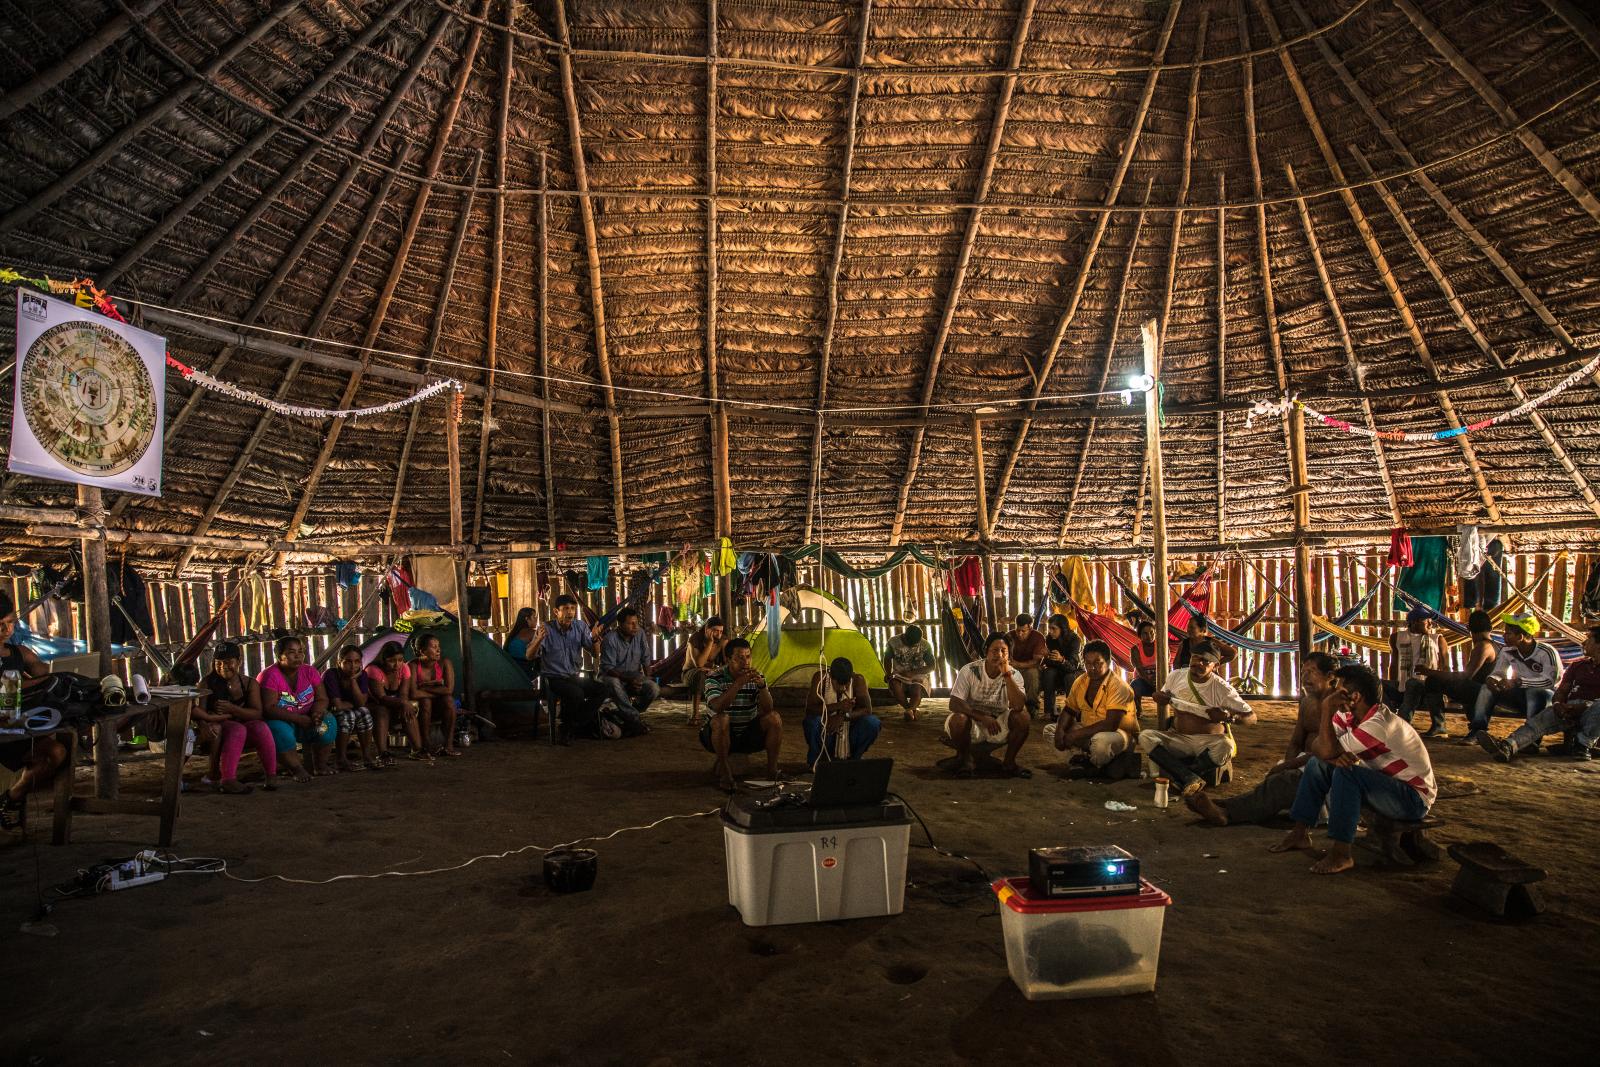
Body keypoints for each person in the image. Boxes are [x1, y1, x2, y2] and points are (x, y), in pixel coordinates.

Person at [1270, 664, 1435, 875]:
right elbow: (1319, 749)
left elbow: (1327, 750)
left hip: (1412, 799)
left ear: (1354, 696)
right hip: (1382, 786)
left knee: (1346, 773)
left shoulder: (1378, 723)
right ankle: (1300, 833)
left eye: (1336, 689)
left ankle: (1342, 853)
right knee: (1316, 764)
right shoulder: (1348, 717)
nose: (1331, 693)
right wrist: (1330, 756)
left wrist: (1327, 710)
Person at [1185, 652, 1337, 826]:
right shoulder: (1307, 702)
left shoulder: (1338, 706)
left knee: (1283, 782)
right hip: (1302, 763)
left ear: (1330, 677)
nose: (1305, 677)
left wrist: (1288, 767)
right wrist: (1287, 764)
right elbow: (1296, 742)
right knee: (1276, 782)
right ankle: (1224, 806)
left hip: (1324, 768)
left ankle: (1227, 813)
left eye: (1312, 671)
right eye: (1303, 671)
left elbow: (1326, 753)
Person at [1139, 644, 1254, 798]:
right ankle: (1189, 777)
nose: (1199, 663)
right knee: (1145, 737)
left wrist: (1228, 717)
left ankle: (1186, 776)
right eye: (1196, 658)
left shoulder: (1222, 689)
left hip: (1208, 742)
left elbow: (1252, 718)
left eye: (1206, 661)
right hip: (1179, 738)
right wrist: (1159, 697)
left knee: (1225, 746)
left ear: (1216, 665)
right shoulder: (1176, 676)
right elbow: (1162, 695)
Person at [1478, 625, 1600, 762]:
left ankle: (1583, 745)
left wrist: (1585, 706)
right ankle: (1507, 746)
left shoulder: (1546, 651)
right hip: (1569, 709)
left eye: (1589, 639)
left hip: (1593, 710)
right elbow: (1562, 690)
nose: (1583, 643)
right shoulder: (1578, 666)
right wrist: (1559, 704)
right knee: (1536, 723)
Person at [0, 593, 66, 835]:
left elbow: (48, 678)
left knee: (57, 753)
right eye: (0, 625)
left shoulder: (21, 654)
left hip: (17, 727)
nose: (7, 629)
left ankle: (13, 796)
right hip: (4, 733)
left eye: (10, 623)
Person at [1043, 640, 1138, 777]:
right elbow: (1069, 710)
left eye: (1097, 663)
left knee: (1100, 743)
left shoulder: (1118, 686)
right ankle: (1080, 761)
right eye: (1088, 663)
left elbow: (1110, 724)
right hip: (1089, 731)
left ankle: (1089, 765)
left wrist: (1076, 734)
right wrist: (1060, 730)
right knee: (1051, 730)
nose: (1092, 668)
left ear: (1108, 662)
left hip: (1119, 735)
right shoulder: (1081, 681)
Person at [193, 641, 277, 794]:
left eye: (228, 662)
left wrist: (233, 709)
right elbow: (199, 713)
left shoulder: (249, 683)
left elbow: (257, 713)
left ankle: (271, 775)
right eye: (218, 663)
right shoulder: (207, 683)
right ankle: (228, 779)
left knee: (261, 727)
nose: (223, 666)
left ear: (239, 661)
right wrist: (205, 725)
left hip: (243, 729)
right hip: (219, 729)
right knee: (237, 729)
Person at [944, 632, 1031, 779]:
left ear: (1009, 654)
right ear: (986, 652)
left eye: (1004, 651)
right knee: (957, 719)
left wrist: (1007, 675)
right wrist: (982, 717)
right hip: (972, 723)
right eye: (994, 650)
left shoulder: (1014, 674)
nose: (999, 655)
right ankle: (967, 761)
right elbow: (954, 703)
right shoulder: (970, 670)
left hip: (998, 725)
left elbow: (1018, 706)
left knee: (1023, 717)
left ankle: (1009, 763)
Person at [701, 637, 782, 791]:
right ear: (728, 659)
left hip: (746, 734)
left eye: (748, 656)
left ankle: (772, 771)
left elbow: (768, 708)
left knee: (774, 718)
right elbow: (717, 707)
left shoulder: (756, 676)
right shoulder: (714, 677)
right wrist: (738, 683)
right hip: (718, 734)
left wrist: (762, 687)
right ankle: (725, 774)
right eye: (739, 657)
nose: (745, 662)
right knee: (721, 719)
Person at [1468, 613, 1561, 743]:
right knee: (1486, 688)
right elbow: (1499, 672)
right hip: (1521, 697)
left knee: (1534, 692)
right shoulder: (1507, 651)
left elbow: (1549, 681)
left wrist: (1519, 682)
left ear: (1520, 636)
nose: (1503, 636)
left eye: (1508, 633)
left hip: (1546, 700)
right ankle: (1477, 731)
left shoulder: (1546, 652)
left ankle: (1532, 740)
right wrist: (1492, 679)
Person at [530, 594, 607, 743]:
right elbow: (529, 656)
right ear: (556, 611)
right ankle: (570, 727)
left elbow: (595, 654)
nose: (570, 612)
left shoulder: (580, 626)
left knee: (602, 689)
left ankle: (573, 724)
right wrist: (538, 640)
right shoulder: (546, 629)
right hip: (553, 679)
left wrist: (595, 638)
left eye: (572, 608)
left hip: (573, 678)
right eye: (565, 608)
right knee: (576, 693)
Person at [257, 636, 334, 781]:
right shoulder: (269, 676)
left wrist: (317, 713)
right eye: (292, 652)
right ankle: (296, 769)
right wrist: (298, 719)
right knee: (279, 731)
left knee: (328, 723)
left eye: (301, 651)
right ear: (280, 656)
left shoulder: (309, 672)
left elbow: (322, 698)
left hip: (308, 716)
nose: (298, 656)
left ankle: (320, 765)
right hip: (282, 720)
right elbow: (269, 708)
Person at [1418, 609, 1495, 738]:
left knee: (1432, 681)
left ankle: (1439, 726)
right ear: (1490, 627)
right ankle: (1441, 727)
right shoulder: (1493, 644)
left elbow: (1465, 676)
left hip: (1482, 692)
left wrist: (1430, 672)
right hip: (1483, 690)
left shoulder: (1483, 646)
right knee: (1438, 681)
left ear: (1468, 628)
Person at [804, 656, 881, 766]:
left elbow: (867, 710)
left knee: (872, 723)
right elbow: (810, 709)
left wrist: (843, 716)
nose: (843, 688)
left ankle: (854, 759)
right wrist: (837, 706)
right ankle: (818, 762)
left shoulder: (858, 680)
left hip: (850, 733)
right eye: (839, 683)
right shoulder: (821, 678)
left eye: (846, 683)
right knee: (812, 722)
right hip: (827, 731)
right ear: (831, 676)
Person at [366, 641, 427, 764]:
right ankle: (383, 752)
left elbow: (404, 694)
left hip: (394, 703)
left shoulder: (404, 668)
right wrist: (403, 703)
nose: (397, 664)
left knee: (407, 709)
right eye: (392, 661)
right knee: (382, 710)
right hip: (373, 706)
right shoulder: (373, 670)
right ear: (383, 659)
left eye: (400, 660)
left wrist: (404, 703)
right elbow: (381, 698)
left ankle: (417, 749)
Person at [322, 644, 380, 772]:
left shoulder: (362, 675)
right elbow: (337, 706)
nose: (353, 666)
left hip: (350, 709)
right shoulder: (331, 675)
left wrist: (353, 680)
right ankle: (340, 758)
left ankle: (366, 755)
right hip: (327, 712)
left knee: (364, 712)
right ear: (339, 662)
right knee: (348, 715)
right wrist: (353, 704)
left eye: (357, 661)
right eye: (348, 662)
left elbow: (361, 703)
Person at [599, 607, 656, 734]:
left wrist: (648, 678)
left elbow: (646, 658)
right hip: (611, 677)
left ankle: (626, 714)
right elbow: (608, 668)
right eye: (631, 623)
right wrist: (629, 680)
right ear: (620, 625)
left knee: (654, 688)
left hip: (633, 676)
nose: (635, 626)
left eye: (636, 622)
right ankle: (634, 719)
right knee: (614, 682)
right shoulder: (610, 639)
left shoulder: (639, 633)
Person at [1387, 609, 1448, 724]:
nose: (1431, 624)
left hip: (1427, 690)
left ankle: (1402, 723)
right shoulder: (1396, 637)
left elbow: (1445, 667)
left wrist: (1443, 690)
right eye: (1427, 620)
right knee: (1378, 685)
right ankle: (1390, 715)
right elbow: (1394, 664)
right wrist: (1394, 684)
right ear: (1414, 622)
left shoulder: (1438, 639)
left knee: (1412, 683)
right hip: (1402, 689)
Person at [412, 633, 461, 758]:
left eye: (438, 646)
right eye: (434, 647)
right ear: (423, 651)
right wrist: (437, 687)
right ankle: (426, 744)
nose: (438, 650)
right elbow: (413, 693)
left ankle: (448, 745)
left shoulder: (445, 663)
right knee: (425, 701)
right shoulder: (412, 666)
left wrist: (425, 685)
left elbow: (449, 690)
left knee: (449, 701)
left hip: (440, 705)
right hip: (420, 708)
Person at [883, 624, 936, 721]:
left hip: (918, 674)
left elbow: (932, 666)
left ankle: (909, 710)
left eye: (915, 644)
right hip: (899, 673)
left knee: (917, 688)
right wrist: (888, 673)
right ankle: (910, 709)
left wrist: (913, 673)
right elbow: (887, 659)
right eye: (909, 643)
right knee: (894, 684)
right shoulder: (893, 642)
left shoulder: (925, 645)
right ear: (904, 636)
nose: (912, 646)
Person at [1038, 613, 1083, 723]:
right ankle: (1048, 712)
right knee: (1048, 673)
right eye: (1050, 628)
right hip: (1059, 670)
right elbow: (1050, 663)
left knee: (1069, 677)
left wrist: (1062, 659)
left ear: (1062, 629)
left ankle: (1071, 713)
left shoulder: (1075, 640)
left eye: (1054, 629)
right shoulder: (1050, 639)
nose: (1050, 632)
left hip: (1075, 672)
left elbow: (1073, 667)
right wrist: (1046, 657)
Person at [684, 616, 728, 726]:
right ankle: (695, 715)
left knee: (725, 674)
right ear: (707, 630)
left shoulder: (722, 640)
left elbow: (728, 663)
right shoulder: (695, 638)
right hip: (690, 673)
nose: (718, 634)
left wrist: (715, 670)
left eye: (721, 631)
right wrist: (710, 642)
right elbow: (699, 664)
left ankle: (722, 711)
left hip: (710, 671)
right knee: (700, 674)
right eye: (715, 631)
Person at [1006, 613, 1048, 713]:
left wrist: (1018, 664)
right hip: (1013, 666)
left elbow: (1036, 662)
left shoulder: (1038, 637)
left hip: (1031, 667)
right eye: (1018, 630)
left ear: (1030, 628)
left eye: (1023, 631)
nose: (1019, 633)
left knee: (1032, 674)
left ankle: (1031, 705)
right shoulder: (1009, 636)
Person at [1128, 619, 1160, 719]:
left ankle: (1168, 711)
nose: (1149, 636)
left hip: (1159, 679)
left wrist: (1158, 680)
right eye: (1145, 633)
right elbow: (1140, 669)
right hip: (1143, 681)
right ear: (1140, 635)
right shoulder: (1135, 649)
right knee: (1134, 686)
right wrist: (1150, 682)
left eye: (1151, 633)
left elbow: (1166, 665)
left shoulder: (1161, 646)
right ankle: (1139, 709)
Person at [504, 607, 539, 681]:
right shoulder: (532, 633)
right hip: (525, 672)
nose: (536, 619)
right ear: (527, 619)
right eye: (534, 617)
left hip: (511, 671)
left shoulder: (514, 633)